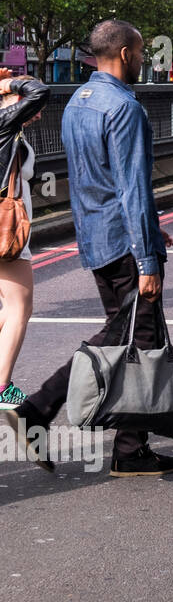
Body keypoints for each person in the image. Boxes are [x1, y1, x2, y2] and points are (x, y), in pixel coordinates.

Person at [4, 20, 173, 476]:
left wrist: (146, 231)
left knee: (136, 342)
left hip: (97, 238)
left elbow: (93, 181)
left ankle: (130, 448)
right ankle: (37, 411)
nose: (144, 60)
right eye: (141, 52)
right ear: (124, 54)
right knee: (121, 340)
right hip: (125, 247)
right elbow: (131, 188)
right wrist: (147, 256)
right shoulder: (124, 107)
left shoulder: (78, 103)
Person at [0, 70, 49, 409]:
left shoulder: (9, 129)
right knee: (20, 306)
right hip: (7, 230)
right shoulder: (3, 124)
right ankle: (2, 387)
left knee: (8, 307)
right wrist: (11, 83)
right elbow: (39, 92)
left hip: (8, 228)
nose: (39, 113)